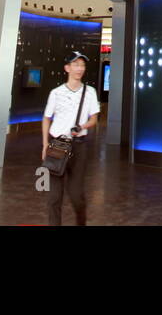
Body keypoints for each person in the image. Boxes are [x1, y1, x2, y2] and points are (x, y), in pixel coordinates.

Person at [42, 51, 100, 226]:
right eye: (76, 65)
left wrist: (82, 127)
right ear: (67, 68)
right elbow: (46, 118)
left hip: (79, 147)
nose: (79, 69)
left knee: (76, 196)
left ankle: (81, 222)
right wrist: (45, 144)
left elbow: (94, 119)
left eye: (82, 65)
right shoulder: (56, 93)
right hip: (57, 146)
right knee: (53, 197)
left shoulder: (89, 92)